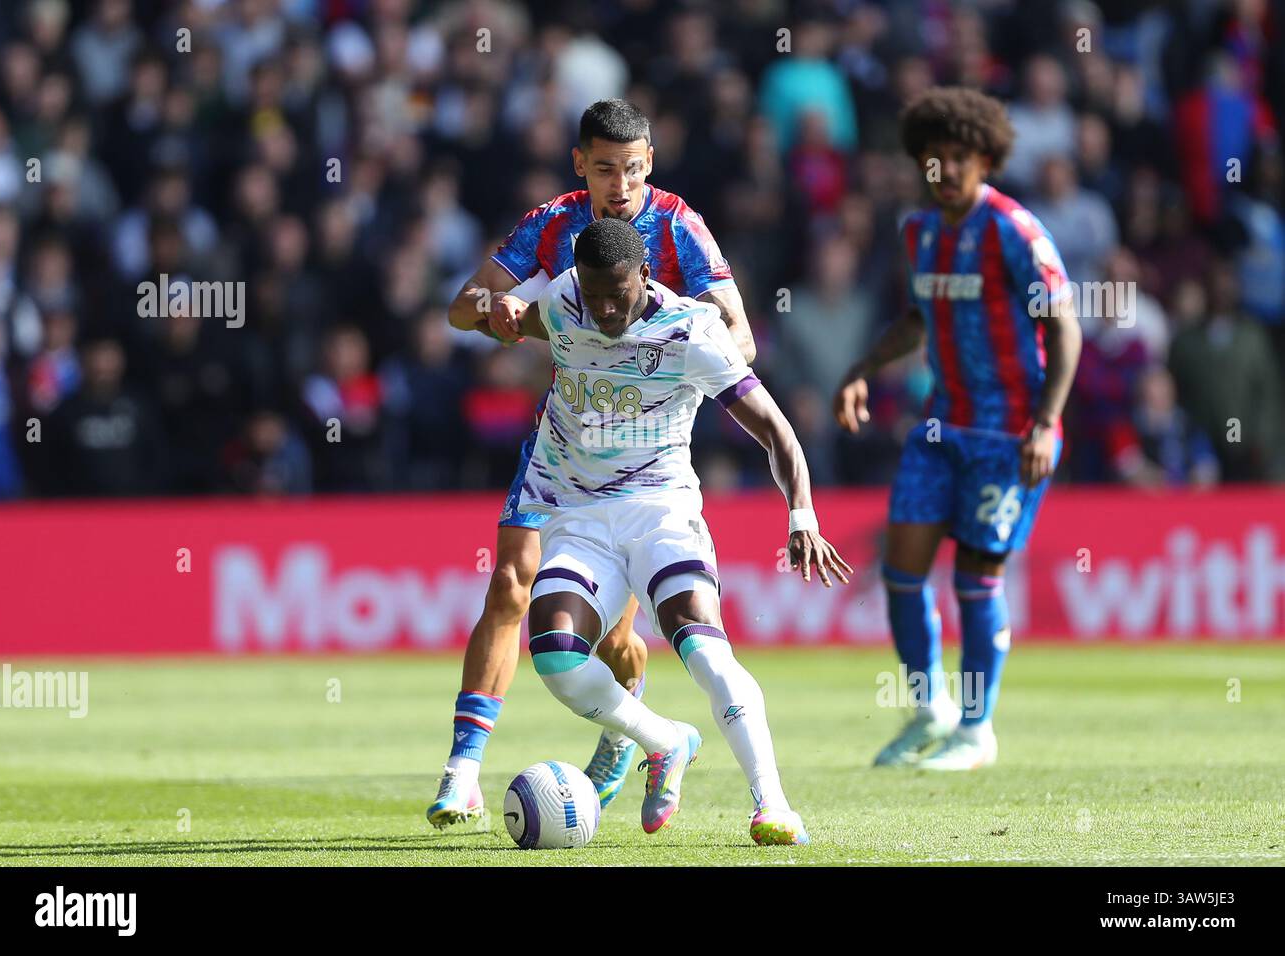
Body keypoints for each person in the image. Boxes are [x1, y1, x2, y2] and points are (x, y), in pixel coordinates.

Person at [433, 99, 755, 827]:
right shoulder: (551, 222)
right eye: (605, 169)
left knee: (615, 640)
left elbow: (744, 340)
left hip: (639, 461)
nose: (621, 185)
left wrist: (671, 340)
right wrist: (500, 313)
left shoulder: (679, 227)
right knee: (511, 587)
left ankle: (627, 731)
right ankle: (462, 771)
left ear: (651, 165)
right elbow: (462, 305)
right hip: (561, 444)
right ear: (580, 163)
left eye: (633, 170)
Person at [487, 216, 849, 844]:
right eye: (593, 293)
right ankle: (665, 741)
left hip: (661, 510)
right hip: (578, 517)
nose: (602, 309)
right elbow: (520, 320)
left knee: (703, 650)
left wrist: (802, 514)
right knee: (552, 655)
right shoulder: (565, 298)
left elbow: (775, 429)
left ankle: (773, 803)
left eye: (617, 294)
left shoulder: (692, 331)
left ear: (647, 276)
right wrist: (498, 310)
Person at [832, 87, 1081, 770]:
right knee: (903, 573)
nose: (946, 172)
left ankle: (976, 730)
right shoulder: (918, 232)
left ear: (987, 160)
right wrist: (863, 367)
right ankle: (929, 709)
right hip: (942, 431)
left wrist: (1046, 422)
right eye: (932, 160)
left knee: (976, 578)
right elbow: (920, 318)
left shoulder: (1014, 231)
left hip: (1009, 438)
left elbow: (1063, 324)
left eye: (960, 159)